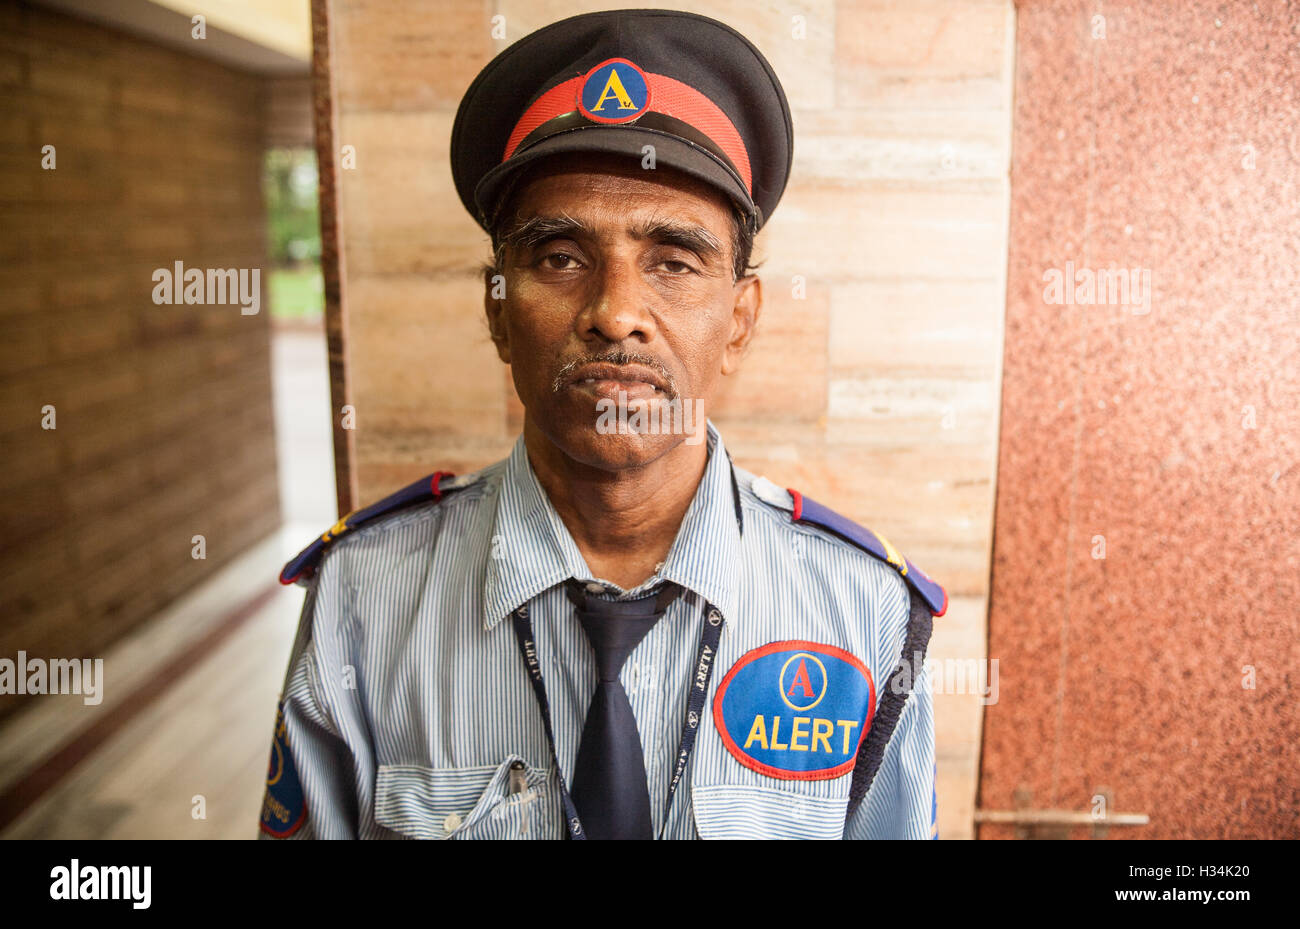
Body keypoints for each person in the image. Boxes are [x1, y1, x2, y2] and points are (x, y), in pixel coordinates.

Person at [258, 8, 945, 841]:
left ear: (740, 319)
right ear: (498, 310)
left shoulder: (864, 612)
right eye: (560, 256)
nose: (617, 312)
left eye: (673, 260)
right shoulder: (360, 599)